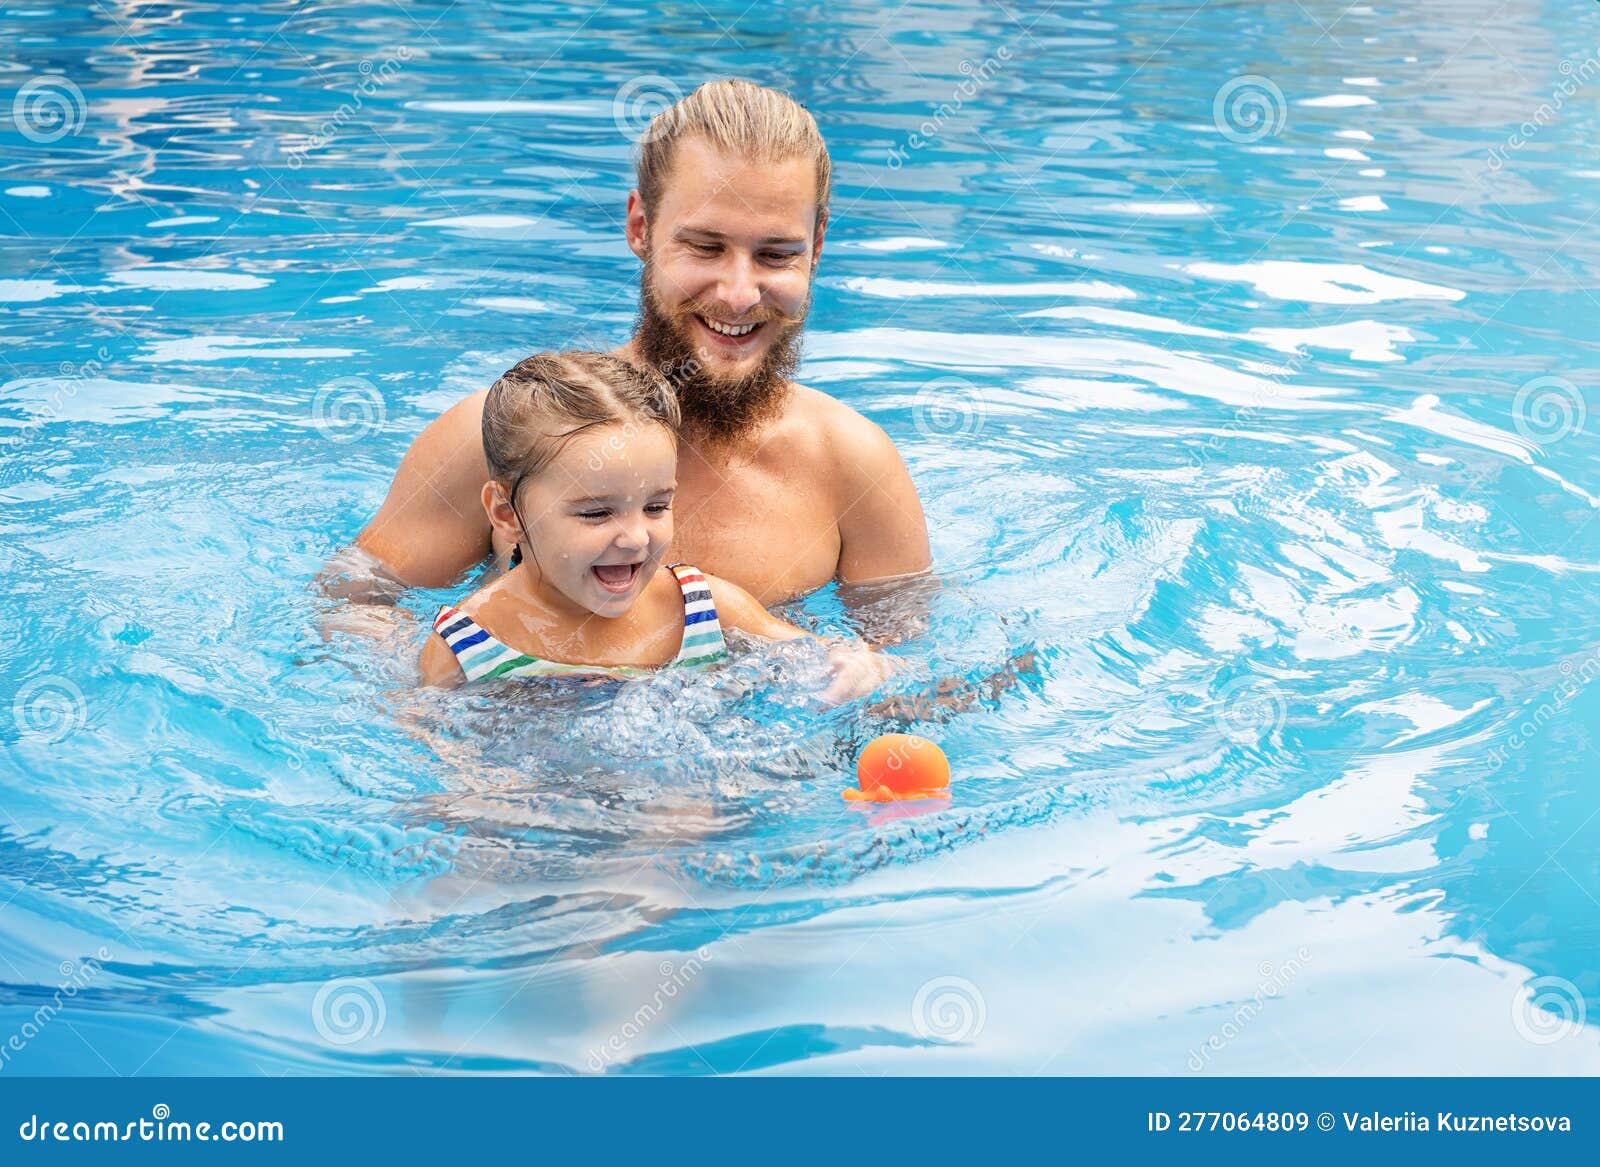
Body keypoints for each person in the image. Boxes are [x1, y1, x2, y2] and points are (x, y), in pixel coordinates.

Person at [330, 78, 930, 619]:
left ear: (816, 248)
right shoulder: (502, 435)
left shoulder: (852, 467)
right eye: (704, 247)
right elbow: (356, 601)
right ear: (641, 227)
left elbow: (913, 667)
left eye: (776, 255)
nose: (739, 294)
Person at [417, 350, 896, 704]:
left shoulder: (706, 610)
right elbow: (441, 754)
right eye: (596, 513)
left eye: (655, 506)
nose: (635, 538)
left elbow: (825, 656)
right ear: (507, 514)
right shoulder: (466, 646)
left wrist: (856, 666)